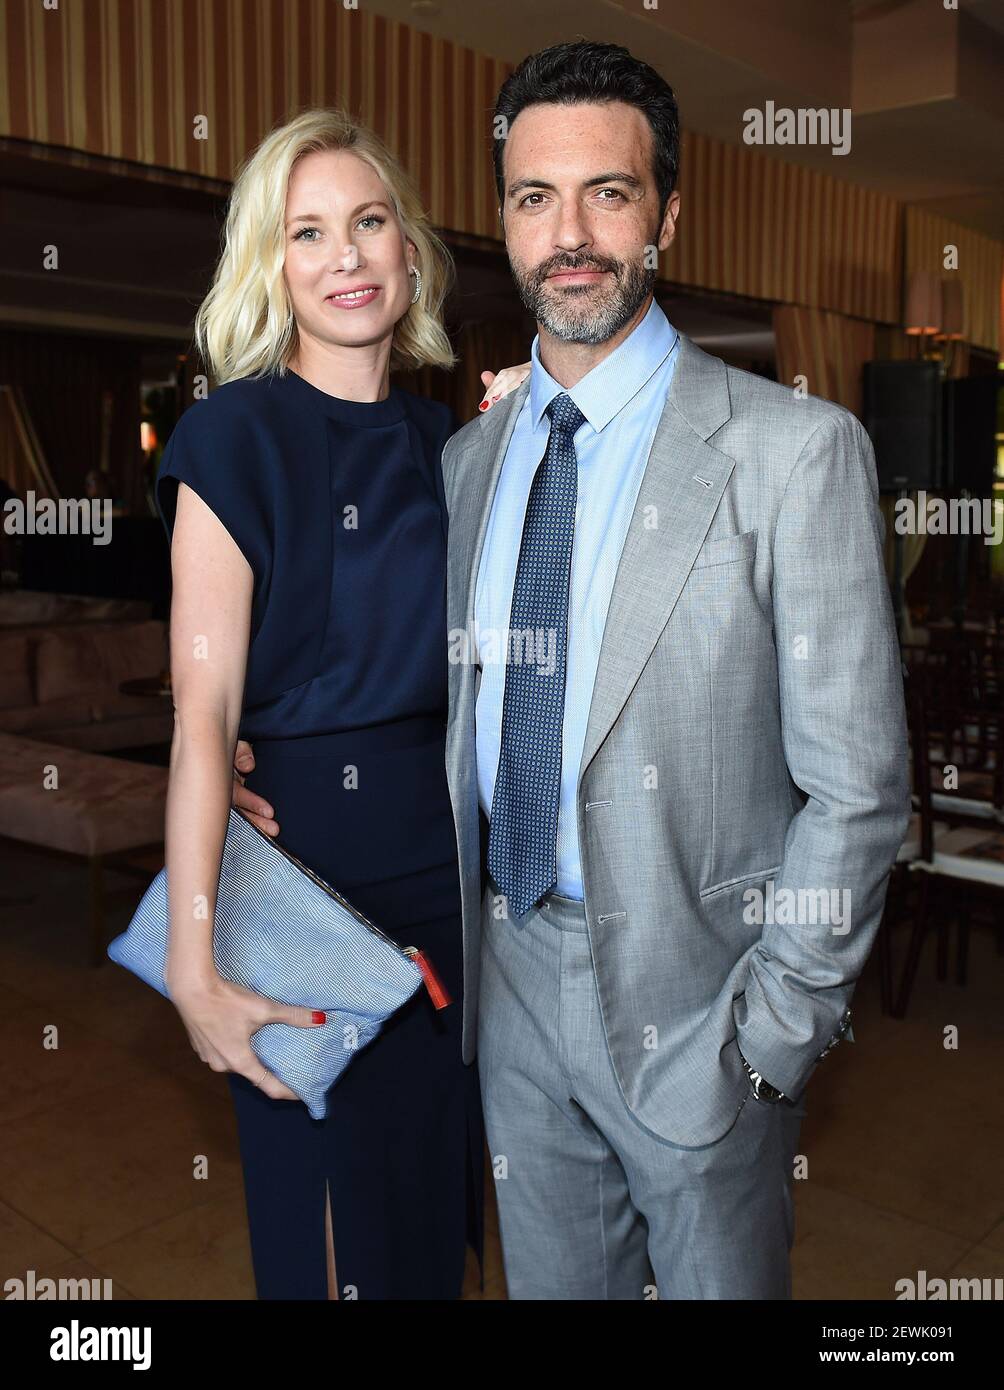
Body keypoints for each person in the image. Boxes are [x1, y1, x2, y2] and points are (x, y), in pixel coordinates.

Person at [439, 41, 910, 1299]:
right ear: (503, 221)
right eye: (535, 197)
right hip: (510, 978)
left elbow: (859, 791)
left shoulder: (791, 455)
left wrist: (770, 1042)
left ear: (666, 217)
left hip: (702, 1001)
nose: (570, 232)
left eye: (608, 192)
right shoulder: (469, 465)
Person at [157, 106, 527, 1301]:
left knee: (424, 1223)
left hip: (446, 883)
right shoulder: (230, 437)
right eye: (306, 231)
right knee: (322, 1231)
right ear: (273, 264)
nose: (346, 254)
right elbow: (204, 715)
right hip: (296, 887)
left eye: (369, 222)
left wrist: (562, 410)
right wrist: (193, 961)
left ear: (409, 251)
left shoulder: (461, 446)